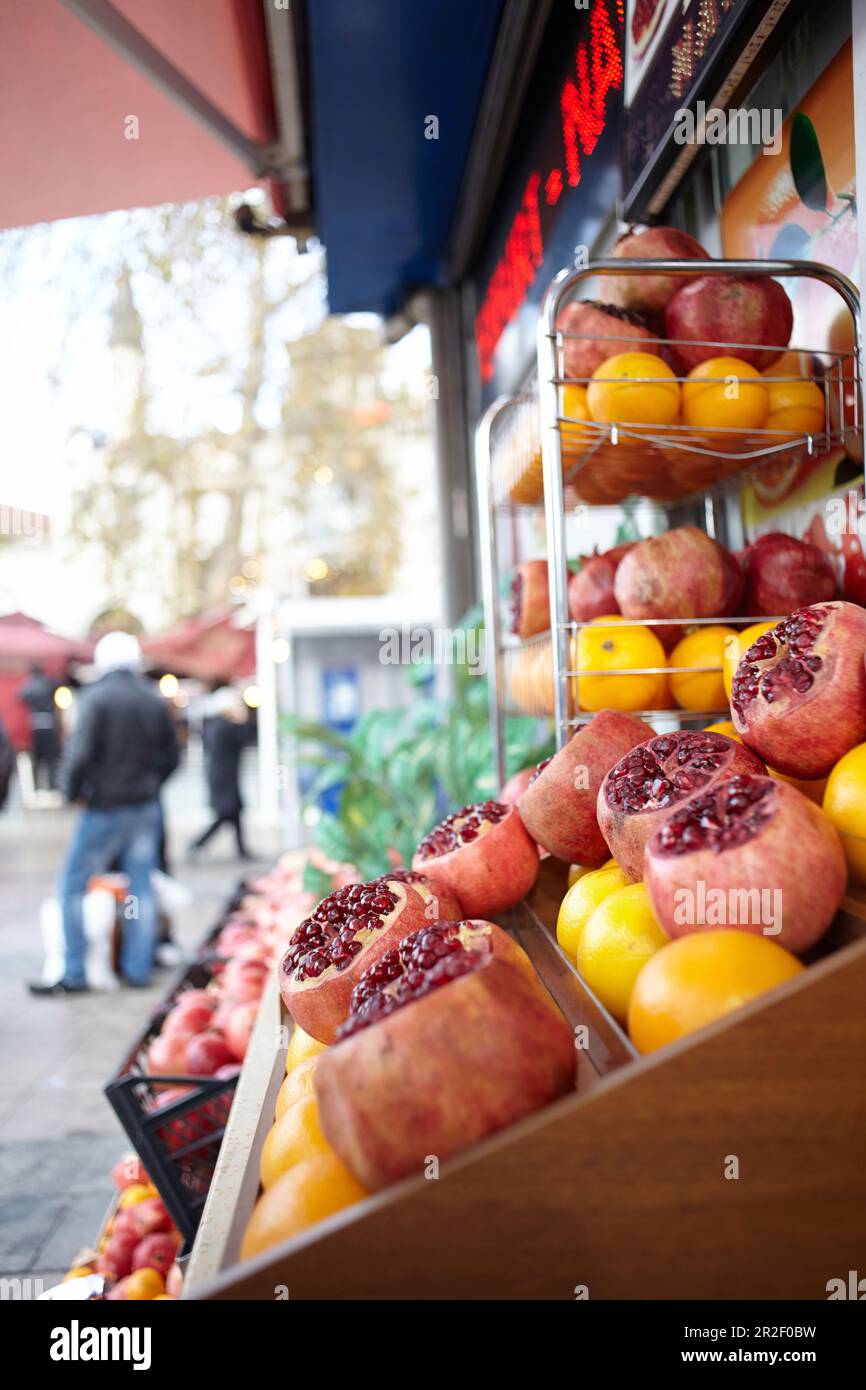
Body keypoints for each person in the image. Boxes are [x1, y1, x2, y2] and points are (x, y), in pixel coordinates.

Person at [29, 631, 179, 997]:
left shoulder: (96, 698)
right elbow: (172, 756)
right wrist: (151, 784)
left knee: (72, 885)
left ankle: (75, 972)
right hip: (144, 807)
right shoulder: (153, 700)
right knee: (139, 887)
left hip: (104, 808)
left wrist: (71, 793)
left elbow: (79, 754)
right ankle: (137, 967)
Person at [189, 687, 252, 861]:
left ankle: (241, 850)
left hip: (224, 775)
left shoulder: (214, 725)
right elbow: (244, 737)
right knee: (226, 814)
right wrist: (242, 719)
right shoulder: (224, 727)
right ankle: (197, 843)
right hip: (223, 777)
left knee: (234, 813)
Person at [18, 662, 60, 791]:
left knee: (37, 759)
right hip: (49, 723)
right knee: (51, 759)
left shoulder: (30, 685)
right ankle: (52, 786)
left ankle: (36, 787)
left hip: (36, 724)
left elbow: (21, 696)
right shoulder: (49, 683)